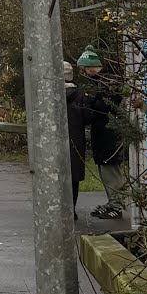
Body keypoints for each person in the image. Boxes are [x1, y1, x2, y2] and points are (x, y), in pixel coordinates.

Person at [79, 46, 126, 219]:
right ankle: (112, 202)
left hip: (109, 134)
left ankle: (117, 204)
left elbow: (105, 107)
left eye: (84, 68)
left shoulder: (108, 83)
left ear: (91, 66)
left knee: (110, 170)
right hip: (103, 134)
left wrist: (90, 103)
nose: (83, 72)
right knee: (105, 170)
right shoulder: (101, 82)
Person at [64, 61, 88, 220]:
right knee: (73, 176)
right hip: (76, 139)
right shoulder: (80, 95)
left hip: (56, 141)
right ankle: (71, 209)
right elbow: (87, 117)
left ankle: (59, 208)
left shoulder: (50, 94)